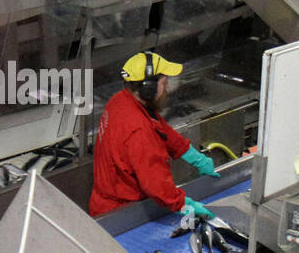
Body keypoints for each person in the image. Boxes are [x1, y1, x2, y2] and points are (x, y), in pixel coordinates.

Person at [89, 51, 220, 218]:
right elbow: (155, 183)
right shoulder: (139, 132)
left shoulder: (121, 100)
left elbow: (160, 128)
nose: (167, 89)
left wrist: (193, 156)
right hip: (121, 214)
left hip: (109, 201)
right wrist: (184, 204)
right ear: (148, 89)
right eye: (164, 84)